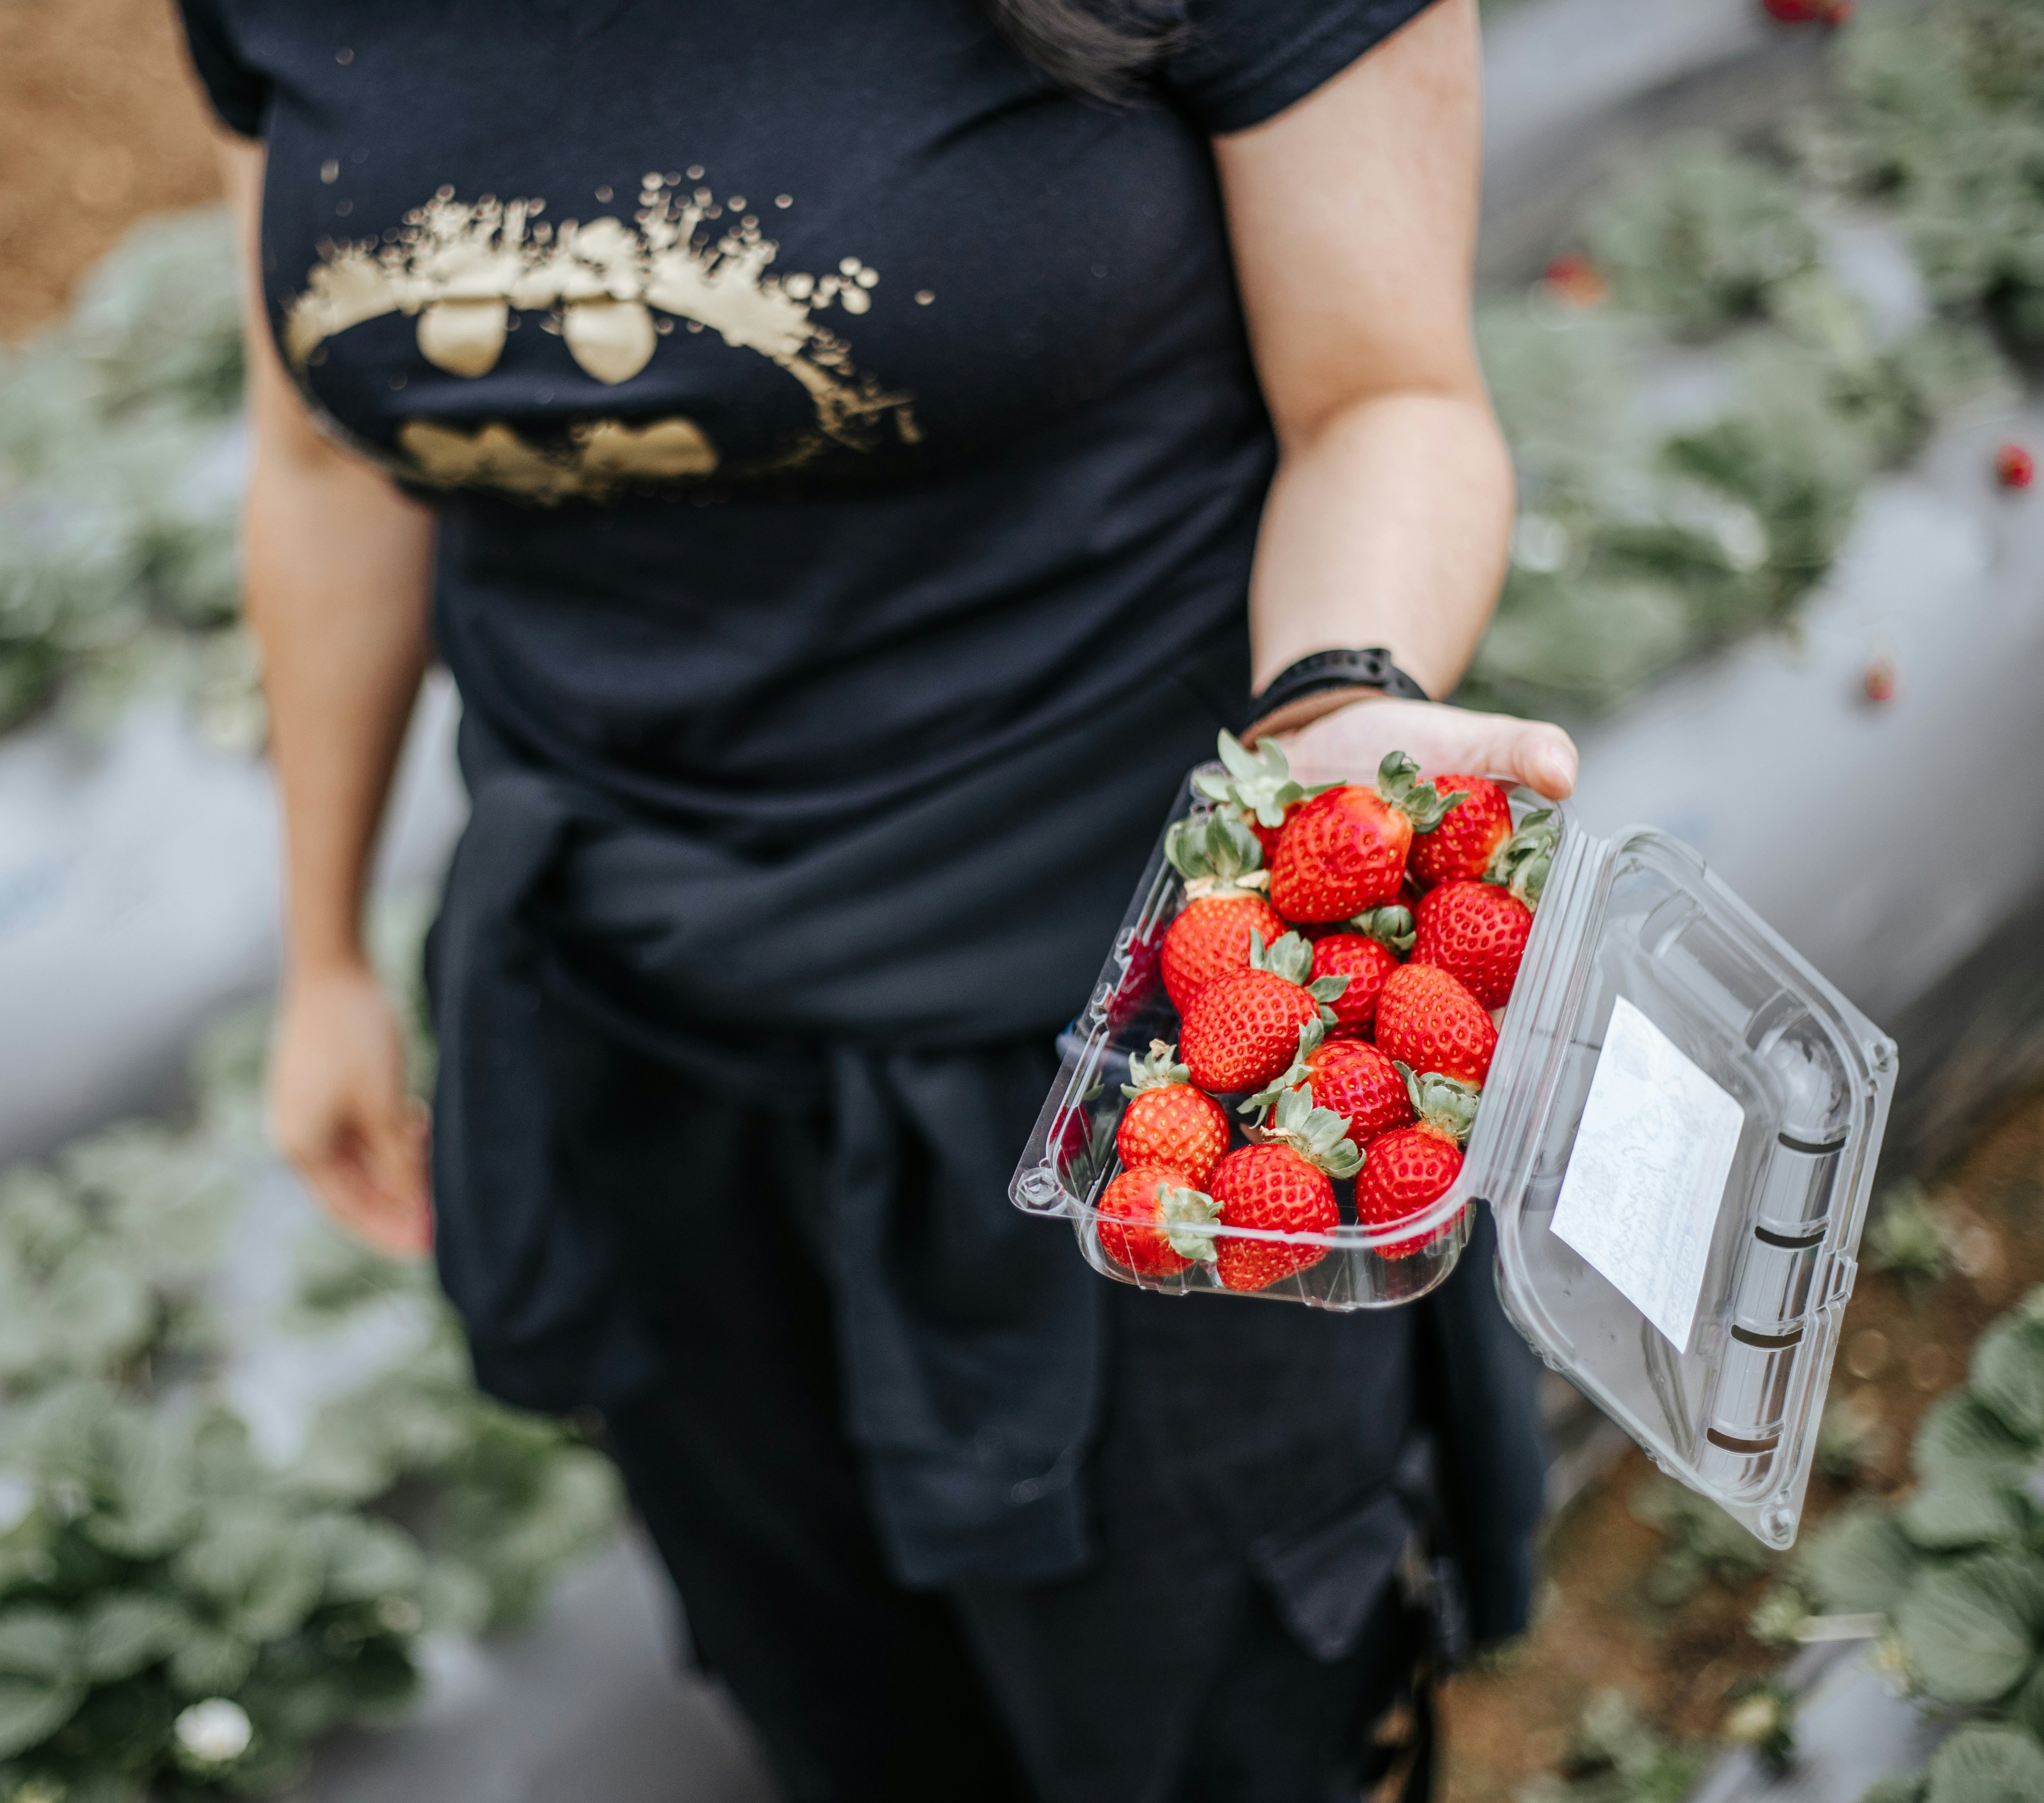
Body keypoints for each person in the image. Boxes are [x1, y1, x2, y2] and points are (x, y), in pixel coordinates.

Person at [175, 0, 1575, 1795]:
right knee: (829, 1684)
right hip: (631, 1010)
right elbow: (317, 454)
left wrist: (1340, 699)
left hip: (1139, 1031)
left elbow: (1388, 397)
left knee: (1210, 1719)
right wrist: (323, 955)